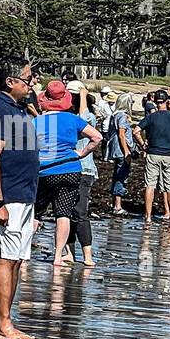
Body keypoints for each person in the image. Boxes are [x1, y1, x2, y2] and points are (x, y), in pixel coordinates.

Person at [0, 56, 40, 339]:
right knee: (6, 258)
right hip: (7, 196)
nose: (32, 83)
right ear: (10, 81)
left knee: (15, 260)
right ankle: (3, 325)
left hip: (23, 195)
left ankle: (0, 322)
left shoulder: (16, 109)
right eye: (27, 79)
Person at [35, 80, 101, 268]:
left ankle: (22, 255)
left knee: (36, 213)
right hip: (70, 169)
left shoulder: (36, 121)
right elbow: (97, 137)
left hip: (44, 170)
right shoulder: (73, 119)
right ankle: (58, 256)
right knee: (63, 214)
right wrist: (81, 153)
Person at [136, 89, 170, 226]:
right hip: (169, 154)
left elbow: (136, 131)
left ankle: (148, 216)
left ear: (155, 101)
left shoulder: (151, 117)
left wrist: (142, 145)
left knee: (150, 185)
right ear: (167, 101)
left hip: (153, 153)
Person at [65, 89, 101, 265]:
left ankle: (88, 256)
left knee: (80, 212)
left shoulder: (89, 119)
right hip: (66, 169)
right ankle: (70, 253)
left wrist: (83, 95)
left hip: (84, 170)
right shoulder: (66, 119)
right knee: (66, 212)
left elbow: (84, 118)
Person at [105, 91, 134, 215]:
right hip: (121, 150)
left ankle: (115, 204)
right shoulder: (121, 116)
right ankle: (117, 205)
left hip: (117, 149)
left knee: (118, 174)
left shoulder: (115, 115)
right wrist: (127, 151)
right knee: (121, 175)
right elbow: (122, 134)